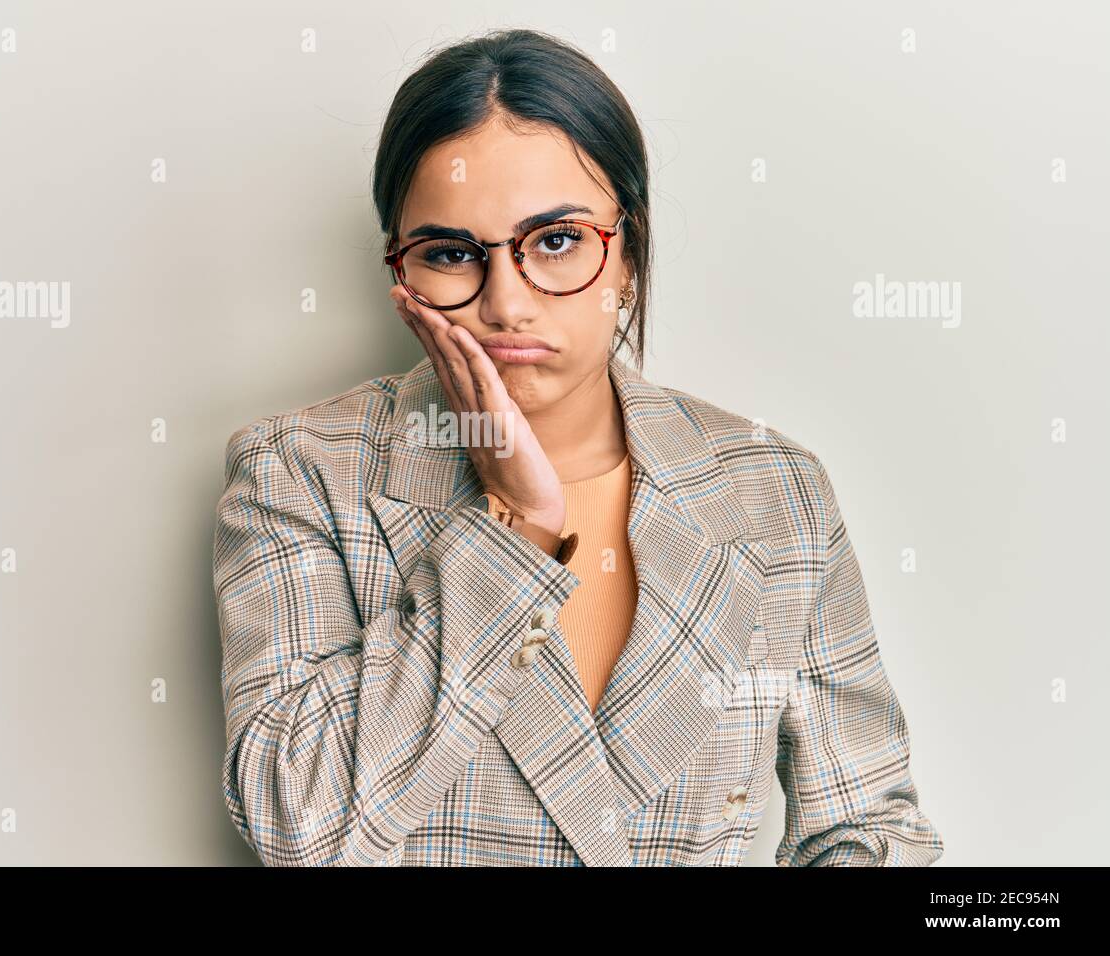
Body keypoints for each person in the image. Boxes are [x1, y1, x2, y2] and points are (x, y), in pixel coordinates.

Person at [213, 28, 945, 866]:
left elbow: (865, 825)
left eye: (556, 241)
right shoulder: (299, 474)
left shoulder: (775, 490)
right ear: (401, 274)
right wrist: (517, 526)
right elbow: (297, 828)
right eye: (452, 253)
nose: (507, 304)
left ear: (627, 254)